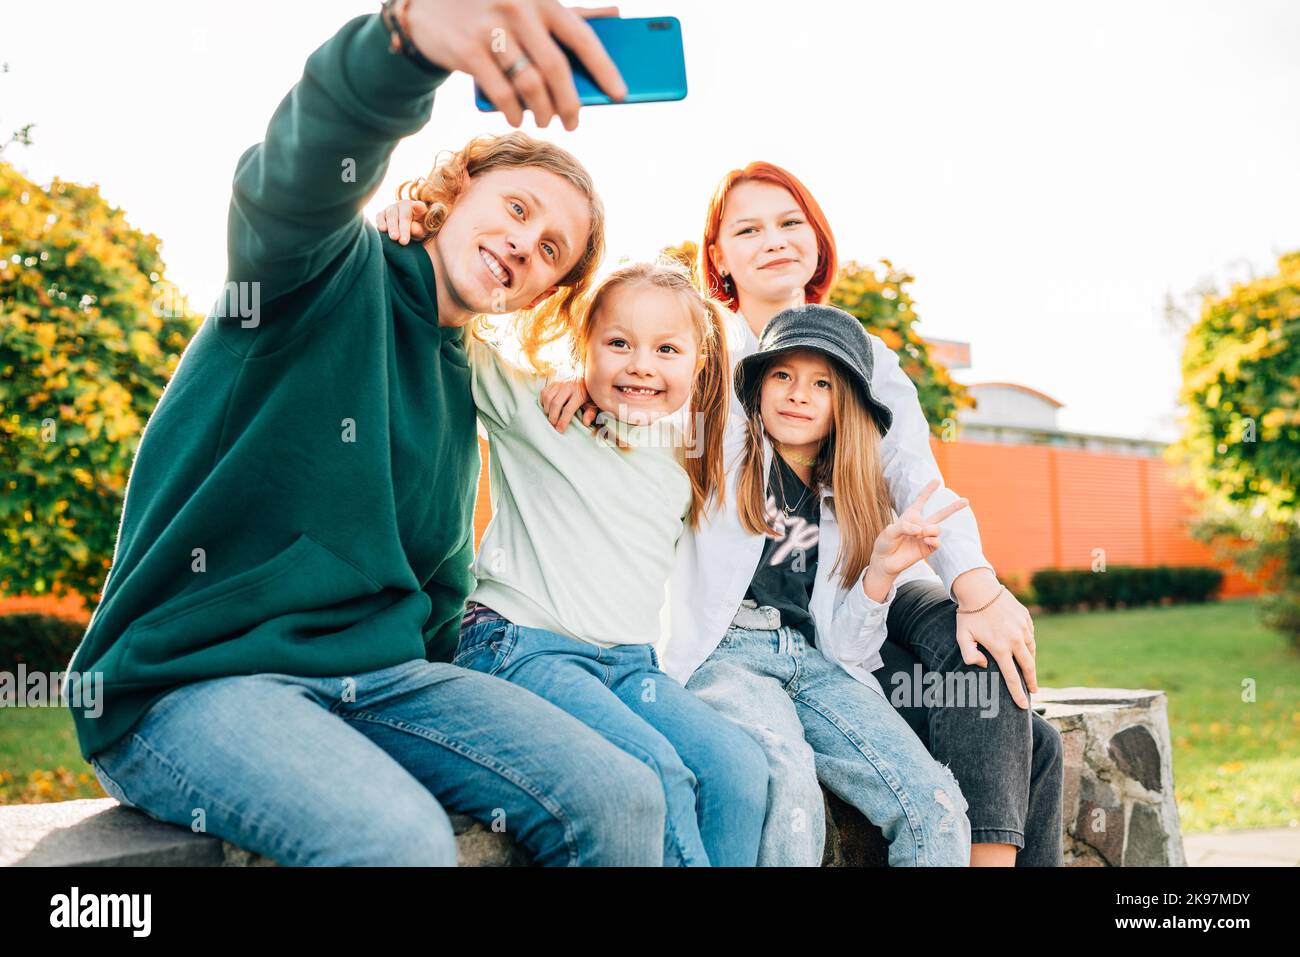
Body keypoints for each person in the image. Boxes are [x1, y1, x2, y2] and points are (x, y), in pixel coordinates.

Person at [67, 0, 672, 866]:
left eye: (549, 251)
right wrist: (410, 39)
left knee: (622, 797)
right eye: (516, 208)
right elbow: (295, 174)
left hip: (382, 683)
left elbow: (434, 588)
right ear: (455, 190)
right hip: (191, 677)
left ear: (543, 294)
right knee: (393, 839)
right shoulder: (319, 270)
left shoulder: (460, 381)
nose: (521, 245)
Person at [455, 262, 768, 865]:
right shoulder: (543, 411)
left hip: (628, 666)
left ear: (699, 366)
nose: (641, 364)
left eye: (667, 349)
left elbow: (787, 423)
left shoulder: (696, 448)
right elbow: (457, 332)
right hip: (523, 645)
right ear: (585, 346)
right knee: (656, 773)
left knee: (737, 767)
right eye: (618, 343)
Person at [666, 302, 974, 866]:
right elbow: (657, 390)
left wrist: (880, 572)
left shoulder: (847, 502)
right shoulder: (724, 451)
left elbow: (849, 648)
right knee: (790, 783)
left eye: (822, 383)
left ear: (844, 405)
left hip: (815, 662)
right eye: (782, 375)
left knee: (935, 803)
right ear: (758, 387)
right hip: (728, 655)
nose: (797, 394)